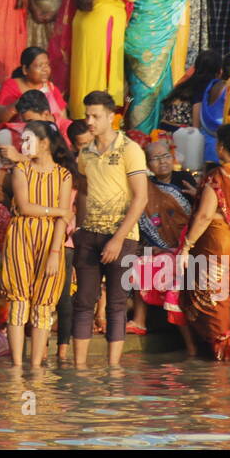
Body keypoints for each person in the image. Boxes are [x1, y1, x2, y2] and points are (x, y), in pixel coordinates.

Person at [71, 91, 147, 368]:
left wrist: (118, 239)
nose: (90, 121)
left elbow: (141, 198)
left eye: (96, 116)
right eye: (87, 115)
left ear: (111, 117)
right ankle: (78, 368)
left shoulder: (129, 150)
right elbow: (83, 189)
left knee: (116, 304)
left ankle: (113, 369)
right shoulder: (85, 152)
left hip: (123, 236)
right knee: (83, 302)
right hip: (89, 234)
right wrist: (79, 228)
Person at [177, 123, 230, 360]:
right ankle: (220, 355)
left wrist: (187, 247)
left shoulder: (218, 175)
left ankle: (220, 358)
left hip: (216, 242)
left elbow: (205, 215)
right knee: (223, 296)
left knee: (212, 299)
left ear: (221, 147)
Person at [2, 121, 72, 368]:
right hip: (21, 234)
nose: (23, 145)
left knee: (44, 305)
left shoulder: (63, 175)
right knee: (18, 301)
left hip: (51, 239)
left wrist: (55, 252)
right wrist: (58, 210)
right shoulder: (21, 169)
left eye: (28, 140)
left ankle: (36, 369)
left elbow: (62, 223)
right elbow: (24, 206)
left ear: (44, 144)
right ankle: (17, 367)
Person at [126, 0, 192, 134]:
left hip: (133, 33)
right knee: (148, 91)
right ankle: (142, 136)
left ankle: (131, 131)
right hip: (153, 40)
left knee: (135, 88)